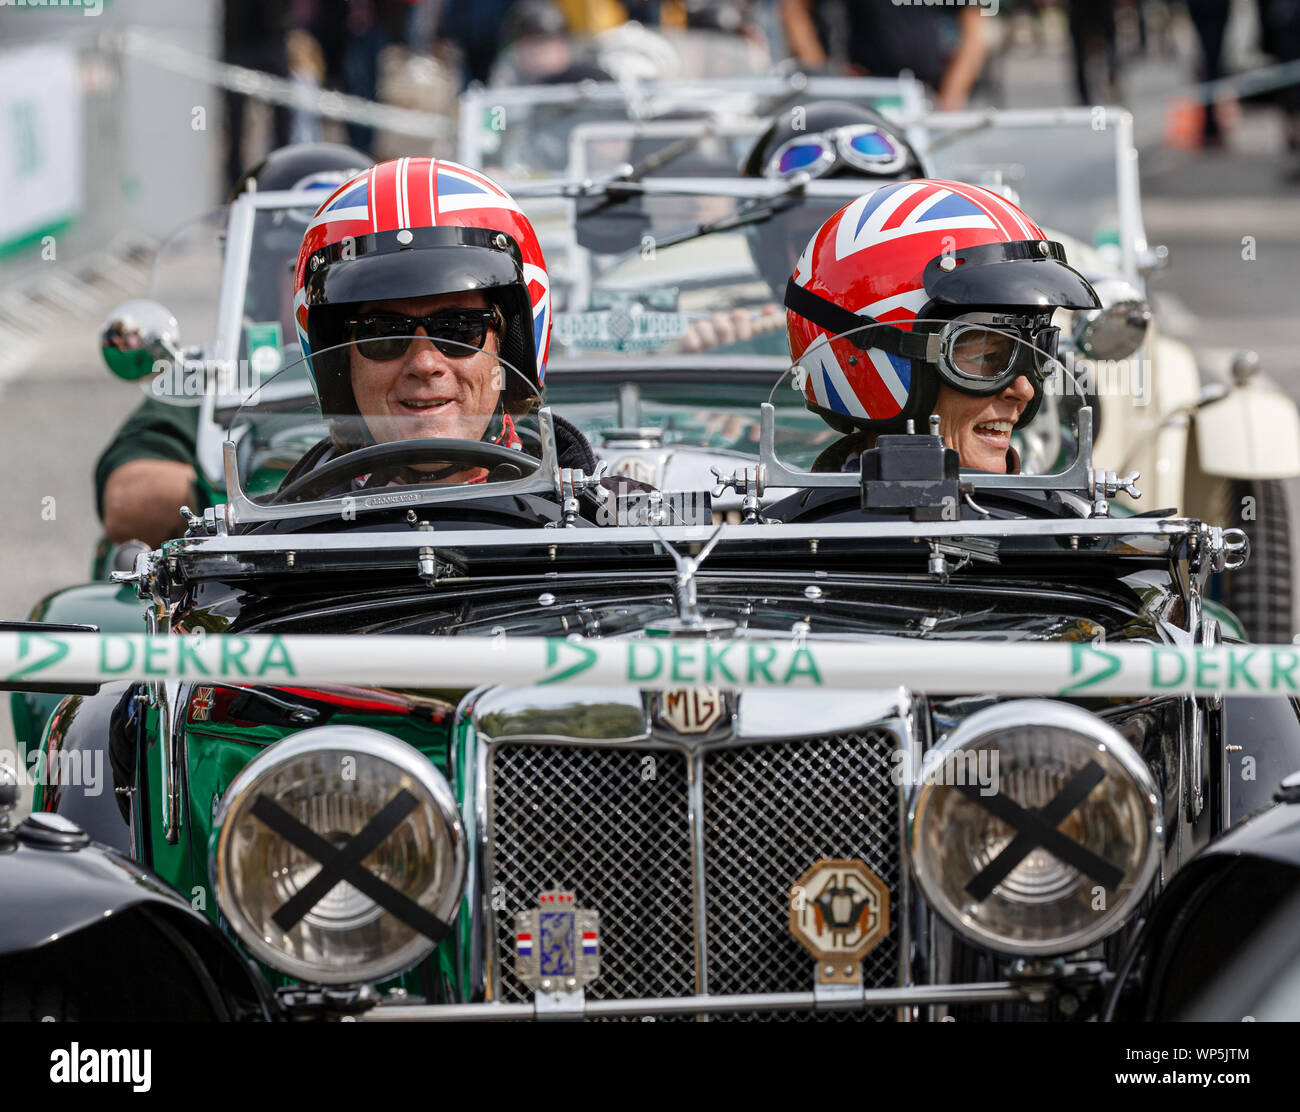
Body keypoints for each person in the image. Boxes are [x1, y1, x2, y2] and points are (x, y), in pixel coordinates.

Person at [96, 143, 374, 552]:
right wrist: (238, 507)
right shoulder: (219, 373)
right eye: (316, 276)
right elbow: (127, 500)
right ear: (257, 279)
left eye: (363, 277)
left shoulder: (421, 364)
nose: (336, 297)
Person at [280, 155, 603, 496]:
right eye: (383, 333)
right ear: (340, 363)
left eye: (457, 329)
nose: (424, 364)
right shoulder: (263, 541)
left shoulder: (615, 530)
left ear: (510, 345)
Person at [782, 178, 1100, 476]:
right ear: (868, 355)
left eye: (1038, 349)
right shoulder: (785, 534)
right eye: (986, 356)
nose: (1024, 391)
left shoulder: (1065, 526)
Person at [682, 101, 927, 353]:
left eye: (878, 240)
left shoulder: (955, 333)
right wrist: (718, 356)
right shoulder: (746, 342)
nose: (850, 269)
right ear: (777, 256)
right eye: (815, 246)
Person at [780, 0, 989, 110]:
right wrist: (825, 75)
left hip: (924, 98)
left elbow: (975, 27)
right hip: (859, 97)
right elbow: (794, 9)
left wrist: (952, 95)